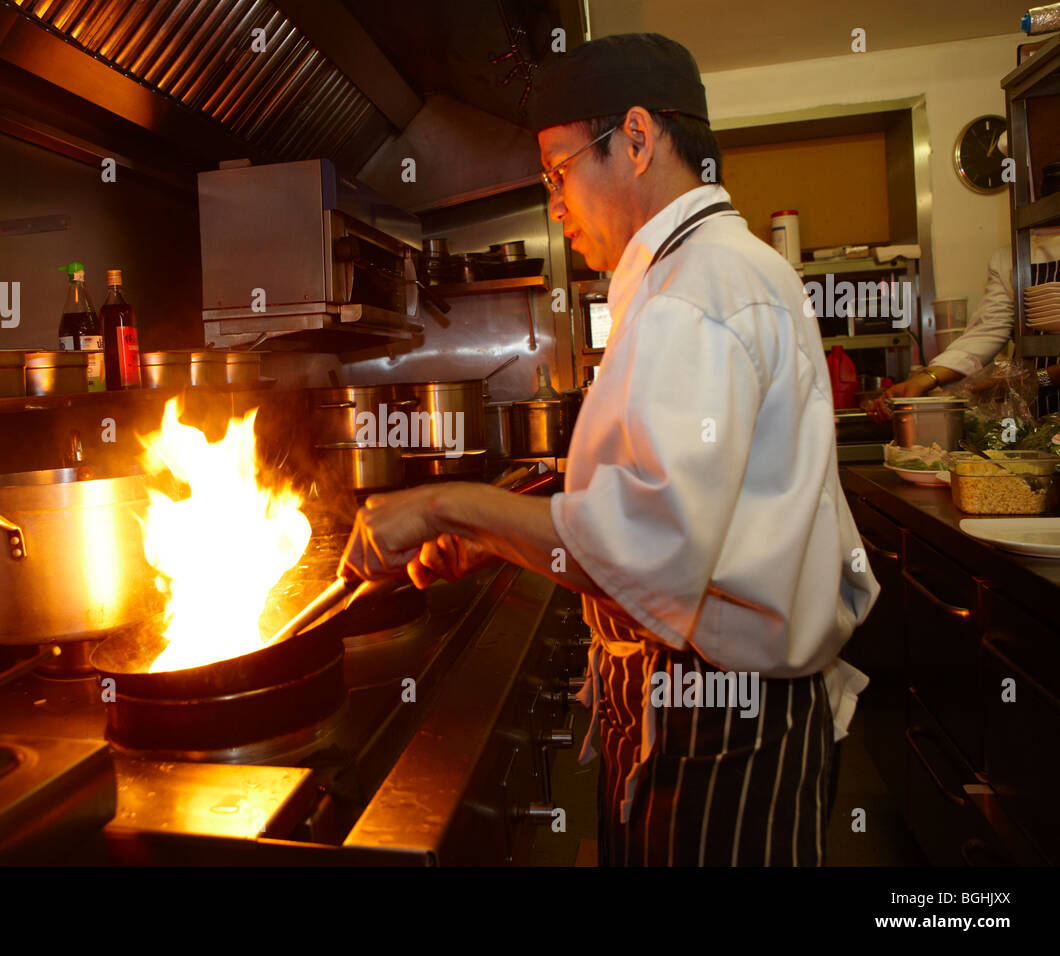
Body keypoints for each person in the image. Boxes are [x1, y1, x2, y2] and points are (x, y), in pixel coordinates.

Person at [339, 33, 878, 866]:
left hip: (718, 728)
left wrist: (446, 503)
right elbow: (656, 509)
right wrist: (495, 538)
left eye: (556, 173)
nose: (554, 204)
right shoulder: (701, 274)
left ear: (635, 138)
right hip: (710, 715)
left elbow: (651, 545)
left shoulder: (696, 291)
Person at [869, 229, 1060, 420]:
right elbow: (987, 331)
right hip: (1032, 407)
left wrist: (1037, 379)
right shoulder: (1010, 257)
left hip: (1030, 387)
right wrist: (925, 379)